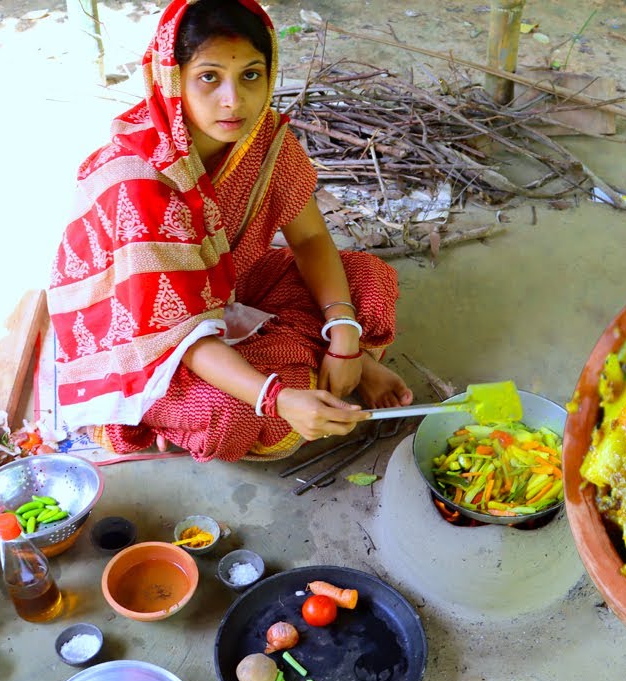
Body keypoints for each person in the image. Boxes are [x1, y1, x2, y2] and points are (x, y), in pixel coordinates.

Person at [46, 0, 413, 462]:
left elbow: (311, 239)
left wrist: (343, 335)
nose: (234, 101)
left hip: (228, 285)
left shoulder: (262, 140)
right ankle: (176, 411)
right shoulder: (139, 179)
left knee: (370, 282)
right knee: (238, 413)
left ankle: (331, 366)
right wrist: (278, 396)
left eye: (251, 75)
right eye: (209, 77)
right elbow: (181, 332)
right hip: (146, 336)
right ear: (173, 77)